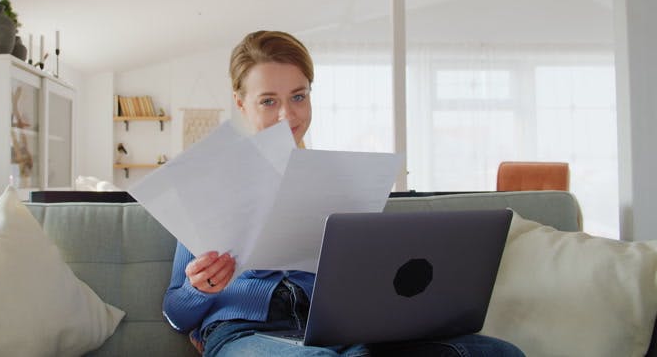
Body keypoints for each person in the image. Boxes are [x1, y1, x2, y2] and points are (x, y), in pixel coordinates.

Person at [163, 30, 523, 357]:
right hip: (245, 332)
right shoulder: (209, 187)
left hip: (342, 332)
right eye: (268, 101)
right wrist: (201, 288)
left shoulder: (346, 182)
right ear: (241, 104)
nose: (287, 114)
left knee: (498, 353)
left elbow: (376, 282)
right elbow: (176, 313)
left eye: (298, 96)